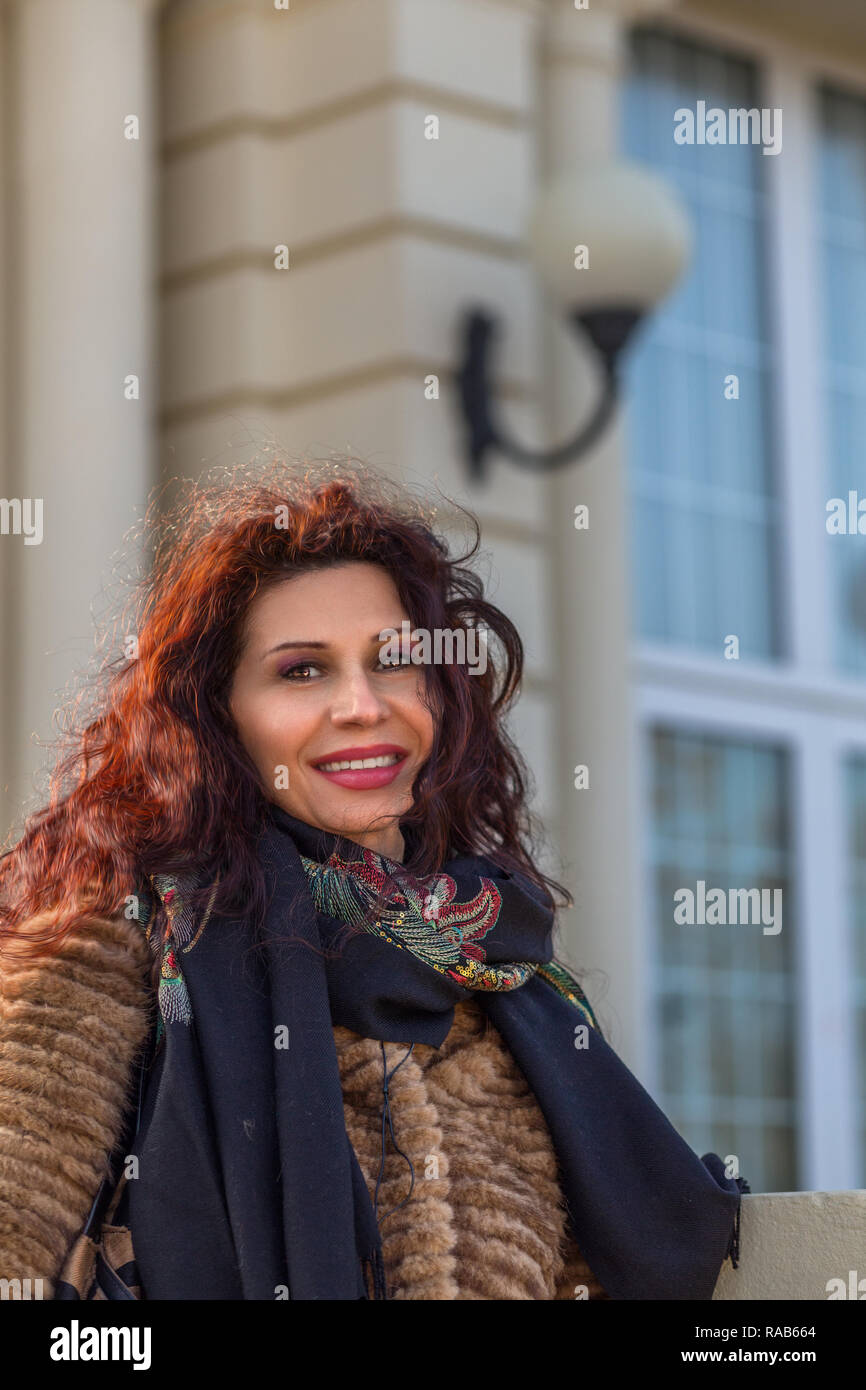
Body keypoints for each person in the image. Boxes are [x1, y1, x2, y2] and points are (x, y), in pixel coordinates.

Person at [0, 461, 746, 1301]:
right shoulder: (111, 943)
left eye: (394, 661)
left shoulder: (501, 977)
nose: (361, 705)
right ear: (219, 715)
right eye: (301, 671)